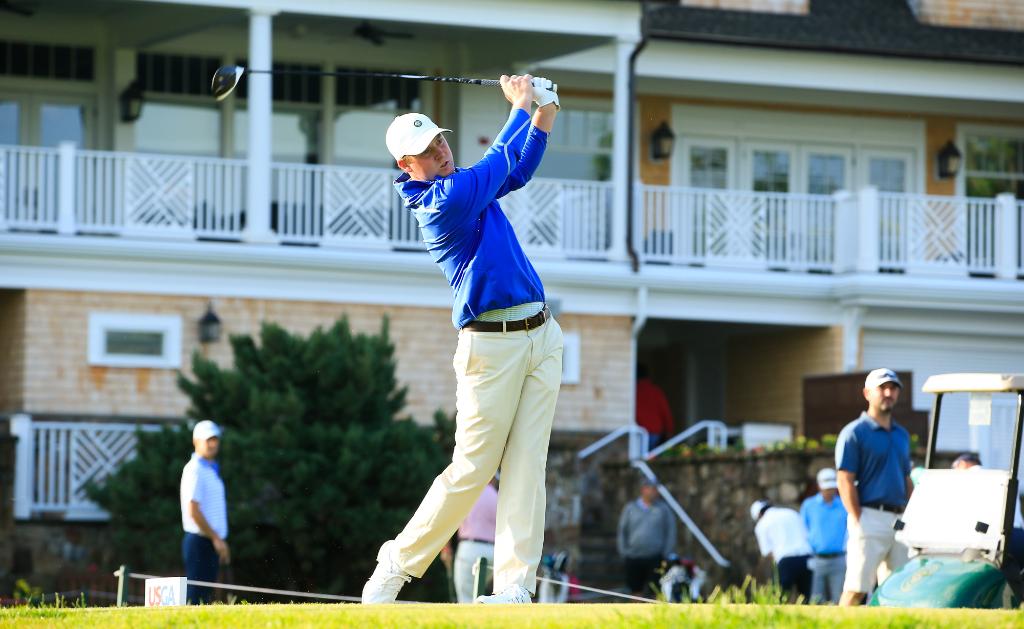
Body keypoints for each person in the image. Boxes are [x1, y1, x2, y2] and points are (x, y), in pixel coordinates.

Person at [361, 74, 563, 605]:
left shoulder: (463, 184)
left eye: (441, 141)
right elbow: (497, 161)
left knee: (527, 468)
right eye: (427, 152)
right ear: (407, 166)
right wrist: (520, 107)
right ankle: (396, 565)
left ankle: (515, 589)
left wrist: (545, 114)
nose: (441, 153)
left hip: (542, 335)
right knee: (472, 467)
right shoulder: (439, 205)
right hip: (490, 346)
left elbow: (515, 172)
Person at [835, 368, 913, 606]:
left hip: (900, 520)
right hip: (869, 517)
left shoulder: (902, 434)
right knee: (857, 589)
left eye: (893, 388)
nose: (888, 393)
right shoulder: (854, 433)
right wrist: (857, 517)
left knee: (897, 592)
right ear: (867, 393)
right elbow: (844, 479)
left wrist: (912, 515)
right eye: (883, 388)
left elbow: (906, 478)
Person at [180, 420, 229, 605]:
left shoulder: (210, 469)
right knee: (196, 597)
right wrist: (216, 538)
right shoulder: (195, 469)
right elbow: (193, 511)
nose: (212, 444)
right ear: (196, 441)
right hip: (199, 541)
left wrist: (217, 539)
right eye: (208, 439)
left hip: (209, 541)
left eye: (215, 439)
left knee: (205, 597)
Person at [951, 452, 1024, 566]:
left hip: (993, 539)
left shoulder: (964, 478)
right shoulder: (1000, 475)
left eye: (953, 468)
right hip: (1019, 536)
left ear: (962, 464)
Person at [617, 480, 676, 598]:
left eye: (656, 489)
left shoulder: (663, 509)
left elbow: (671, 531)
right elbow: (622, 531)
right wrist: (624, 552)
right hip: (633, 557)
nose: (655, 492)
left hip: (655, 557)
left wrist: (666, 553)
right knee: (635, 591)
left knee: (655, 592)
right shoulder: (630, 508)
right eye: (652, 489)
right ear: (644, 489)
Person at [800, 468, 848, 604]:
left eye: (832, 487)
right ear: (819, 486)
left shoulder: (844, 504)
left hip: (839, 558)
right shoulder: (808, 505)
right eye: (827, 488)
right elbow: (803, 530)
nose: (830, 490)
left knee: (838, 599)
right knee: (816, 599)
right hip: (816, 558)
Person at [751, 500, 813, 602]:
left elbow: (767, 552)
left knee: (781, 597)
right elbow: (806, 534)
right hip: (806, 557)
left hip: (786, 560)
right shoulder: (791, 513)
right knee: (808, 597)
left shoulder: (762, 524)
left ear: (758, 515)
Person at [452, 477, 498, 603]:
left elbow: (452, 520)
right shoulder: (496, 496)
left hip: (469, 548)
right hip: (492, 550)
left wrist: (446, 548)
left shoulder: (469, 493)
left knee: (466, 597)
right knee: (479, 593)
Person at [635, 364, 674, 450]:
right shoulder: (656, 391)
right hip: (655, 432)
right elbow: (665, 412)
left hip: (639, 431)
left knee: (639, 458)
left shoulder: (634, 390)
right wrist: (669, 431)